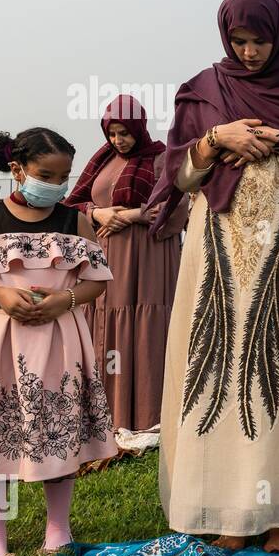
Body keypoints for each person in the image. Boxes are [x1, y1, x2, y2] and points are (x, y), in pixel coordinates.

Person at [146, 0, 279, 554]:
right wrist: (216, 139)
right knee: (219, 364)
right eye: (238, 41)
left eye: (259, 41)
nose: (249, 53)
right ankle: (226, 507)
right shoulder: (204, 91)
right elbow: (179, 177)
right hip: (217, 258)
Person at [0, 127, 116, 556]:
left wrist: (64, 300)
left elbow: (95, 281)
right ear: (17, 169)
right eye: (46, 174)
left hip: (58, 343)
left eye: (64, 176)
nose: (56, 184)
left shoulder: (74, 220)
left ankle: (58, 530)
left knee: (57, 429)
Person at [64, 95, 187, 431]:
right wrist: (98, 212)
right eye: (112, 133)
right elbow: (74, 203)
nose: (118, 140)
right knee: (104, 320)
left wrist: (133, 215)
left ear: (140, 129)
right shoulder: (101, 160)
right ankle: (103, 411)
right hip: (104, 254)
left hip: (146, 257)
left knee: (140, 324)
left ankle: (144, 413)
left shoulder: (160, 158)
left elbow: (178, 207)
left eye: (125, 133)